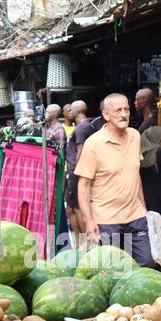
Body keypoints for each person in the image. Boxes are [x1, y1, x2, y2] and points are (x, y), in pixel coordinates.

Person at [75, 93, 153, 266]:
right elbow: (83, 185)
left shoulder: (134, 136)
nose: (124, 114)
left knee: (148, 263)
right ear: (106, 115)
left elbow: (135, 175)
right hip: (107, 221)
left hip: (136, 217)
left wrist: (144, 210)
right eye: (118, 110)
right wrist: (89, 221)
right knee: (116, 271)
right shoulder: (93, 144)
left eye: (126, 109)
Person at [63, 100, 91, 240]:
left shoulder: (80, 128)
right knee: (71, 208)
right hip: (76, 170)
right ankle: (81, 241)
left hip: (76, 171)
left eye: (71, 110)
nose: (69, 112)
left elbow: (80, 151)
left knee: (76, 207)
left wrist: (79, 173)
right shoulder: (87, 126)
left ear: (78, 111)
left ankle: (84, 241)